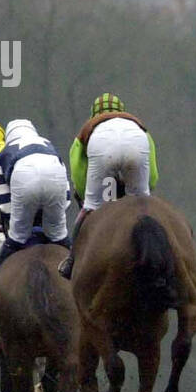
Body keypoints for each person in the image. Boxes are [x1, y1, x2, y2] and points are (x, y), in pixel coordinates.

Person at [58, 92, 159, 278]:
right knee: (144, 207)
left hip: (101, 145)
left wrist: (90, 197)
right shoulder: (138, 127)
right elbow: (152, 177)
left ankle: (71, 260)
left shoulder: (87, 130)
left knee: (90, 206)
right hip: (136, 142)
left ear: (94, 115)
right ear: (122, 111)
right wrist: (140, 191)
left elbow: (79, 177)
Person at [0, 120, 71, 307]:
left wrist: (14, 230)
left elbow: (5, 206)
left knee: (16, 239)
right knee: (59, 235)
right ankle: (75, 267)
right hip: (54, 175)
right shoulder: (48, 144)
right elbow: (66, 196)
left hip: (23, 177)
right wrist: (54, 223)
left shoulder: (3, 154)